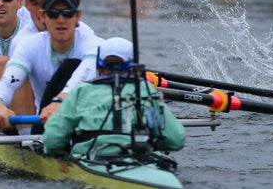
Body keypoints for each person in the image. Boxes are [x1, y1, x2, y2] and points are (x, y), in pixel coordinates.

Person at [42, 37, 185, 161]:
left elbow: (52, 139)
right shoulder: (145, 90)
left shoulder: (81, 92)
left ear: (98, 63)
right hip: (139, 160)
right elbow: (176, 139)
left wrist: (59, 154)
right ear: (133, 65)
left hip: (89, 161)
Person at [0, 0, 103, 132]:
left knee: (71, 65)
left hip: (87, 124)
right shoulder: (29, 45)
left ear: (77, 17)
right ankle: (27, 141)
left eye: (67, 13)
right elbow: (9, 82)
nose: (61, 20)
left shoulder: (92, 44)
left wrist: (61, 100)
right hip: (46, 123)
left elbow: (87, 70)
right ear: (43, 16)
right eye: (53, 14)